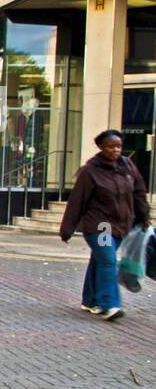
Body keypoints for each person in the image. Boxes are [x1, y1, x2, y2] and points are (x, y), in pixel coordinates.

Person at [60, 129, 150, 320]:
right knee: (108, 261)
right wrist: (67, 229)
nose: (116, 150)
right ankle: (110, 304)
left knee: (99, 260)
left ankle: (89, 300)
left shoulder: (127, 166)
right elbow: (77, 201)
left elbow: (139, 192)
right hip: (100, 225)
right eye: (111, 146)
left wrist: (144, 216)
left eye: (118, 146)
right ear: (101, 147)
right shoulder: (90, 171)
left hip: (121, 224)